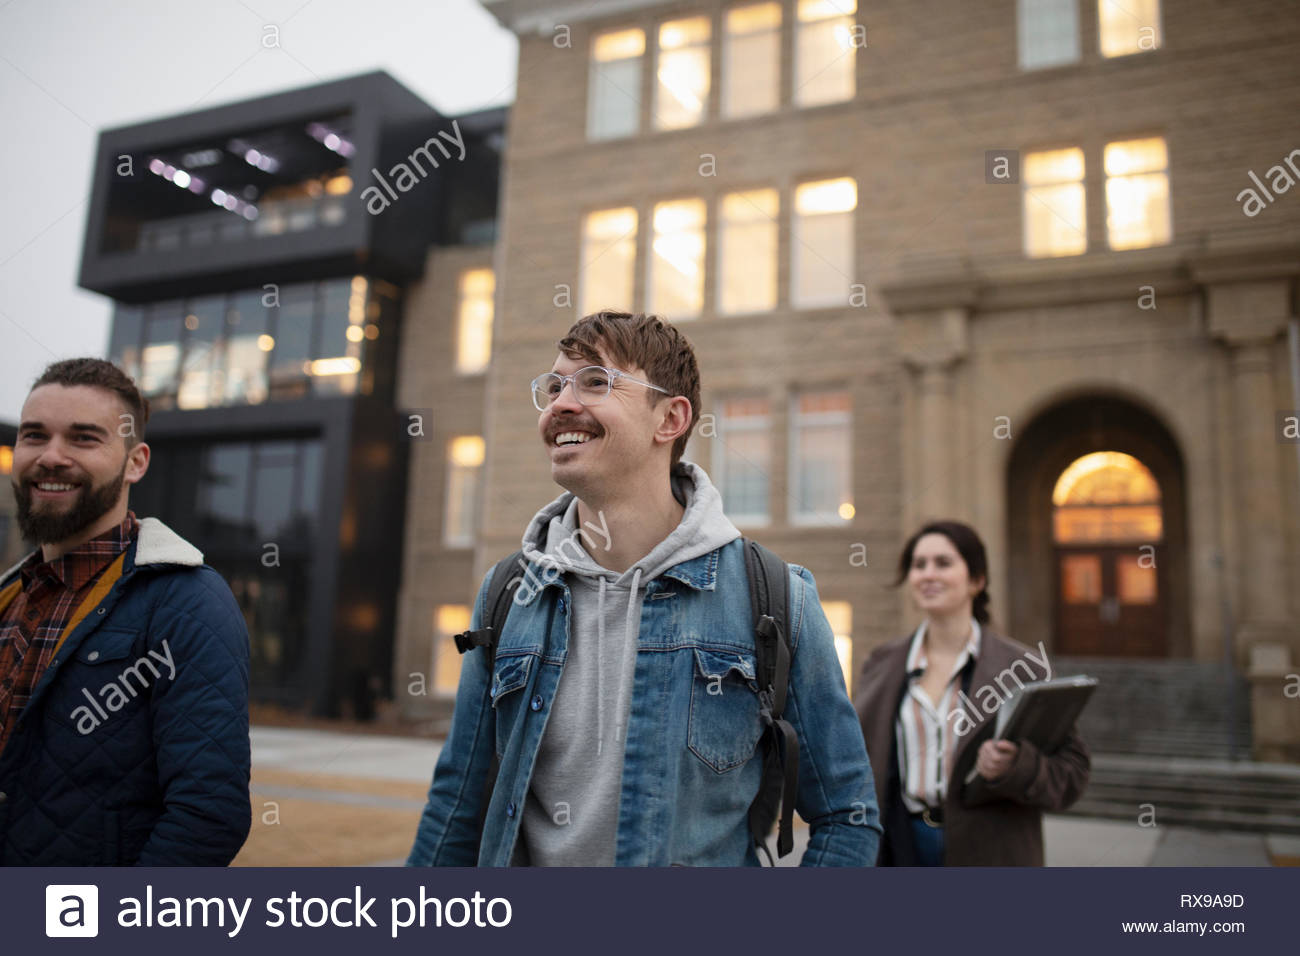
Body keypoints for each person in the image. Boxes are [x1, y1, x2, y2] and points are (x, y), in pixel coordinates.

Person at [408, 310, 879, 866]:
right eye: (555, 385)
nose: (561, 403)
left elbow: (848, 816)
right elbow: (456, 809)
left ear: (670, 419)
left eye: (595, 382)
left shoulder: (777, 598)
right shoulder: (510, 592)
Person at [0, 358, 251, 865]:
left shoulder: (186, 601)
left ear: (135, 462)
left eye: (83, 438)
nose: (51, 456)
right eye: (34, 435)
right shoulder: (9, 596)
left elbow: (207, 817)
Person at [853, 520, 1089, 866]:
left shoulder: (1023, 667)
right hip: (897, 847)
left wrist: (1016, 766)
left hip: (991, 851)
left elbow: (1072, 773)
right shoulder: (881, 663)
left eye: (943, 563)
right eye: (919, 565)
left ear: (977, 580)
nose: (927, 574)